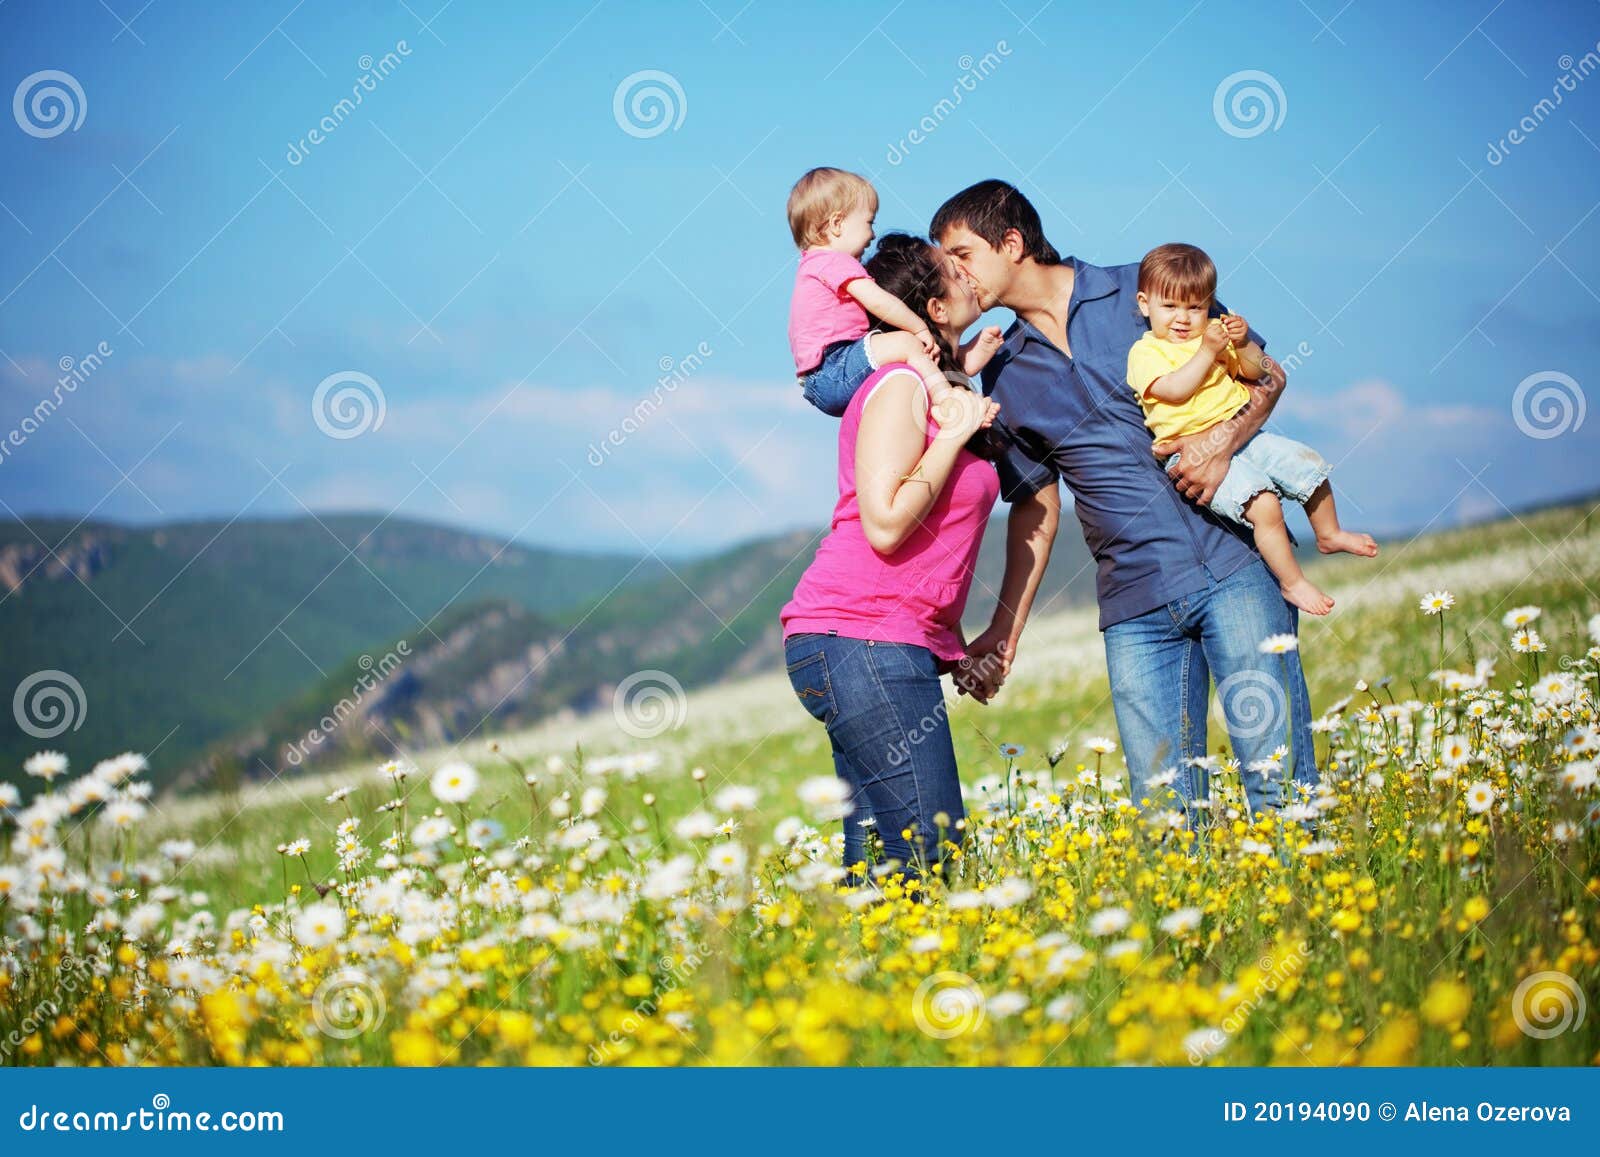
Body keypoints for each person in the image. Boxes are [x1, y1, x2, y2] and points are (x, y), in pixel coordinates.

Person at [929, 179, 1321, 823]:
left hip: (1235, 570)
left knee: (1282, 791)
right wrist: (1004, 632)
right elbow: (1034, 507)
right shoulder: (1004, 373)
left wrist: (1221, 446)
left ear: (1012, 243)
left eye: (962, 254)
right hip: (1135, 610)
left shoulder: (1145, 291)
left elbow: (1267, 373)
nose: (953, 274)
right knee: (1166, 824)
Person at [780, 233, 1003, 884]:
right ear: (933, 306)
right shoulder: (901, 383)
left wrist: (952, 643)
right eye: (955, 271)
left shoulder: (936, 388)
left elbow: (936, 541)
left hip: (873, 640)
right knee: (932, 859)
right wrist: (958, 433)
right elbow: (884, 524)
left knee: (880, 862)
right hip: (858, 637)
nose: (969, 277)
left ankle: (860, 981)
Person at [1128, 242, 1377, 616]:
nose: (1182, 318)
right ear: (1145, 304)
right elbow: (1175, 389)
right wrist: (1207, 353)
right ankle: (1293, 582)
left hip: (1242, 435)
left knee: (1309, 465)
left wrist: (1242, 344)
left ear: (1209, 305)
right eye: (1170, 306)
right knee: (1264, 505)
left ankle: (1329, 533)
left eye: (1195, 307)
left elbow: (1257, 372)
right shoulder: (1146, 352)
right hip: (1190, 451)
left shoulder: (1211, 339)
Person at [786, 167, 1004, 417]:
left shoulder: (811, 266)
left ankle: (958, 366)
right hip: (835, 366)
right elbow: (879, 302)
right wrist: (918, 328)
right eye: (869, 222)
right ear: (837, 224)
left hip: (822, 379)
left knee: (910, 360)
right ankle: (946, 400)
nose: (872, 234)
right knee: (906, 343)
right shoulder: (833, 261)